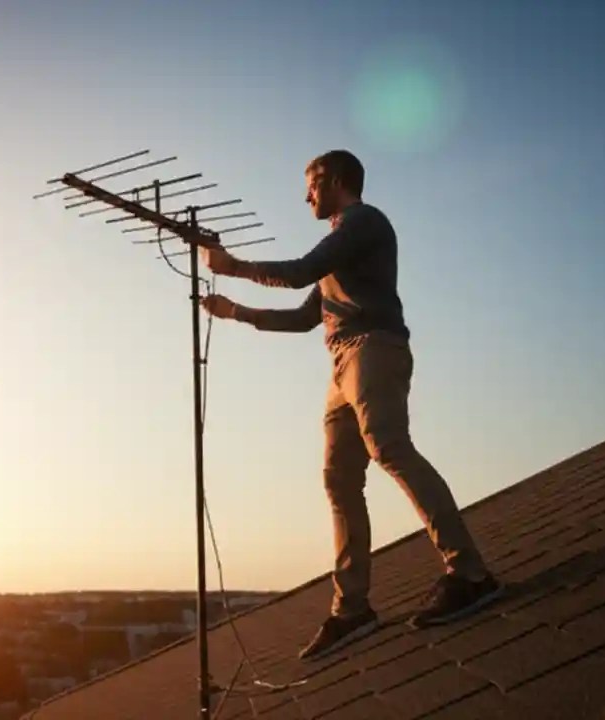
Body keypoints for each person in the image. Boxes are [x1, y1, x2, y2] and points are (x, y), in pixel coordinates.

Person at [200, 150, 502, 661]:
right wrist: (235, 312)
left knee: (389, 448)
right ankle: (352, 608)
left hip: (373, 347)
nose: (306, 196)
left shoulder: (363, 222)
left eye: (312, 184)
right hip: (341, 364)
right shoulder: (339, 252)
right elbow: (305, 318)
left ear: (336, 180)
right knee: (339, 480)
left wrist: (233, 267)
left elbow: (300, 271)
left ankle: (470, 573)